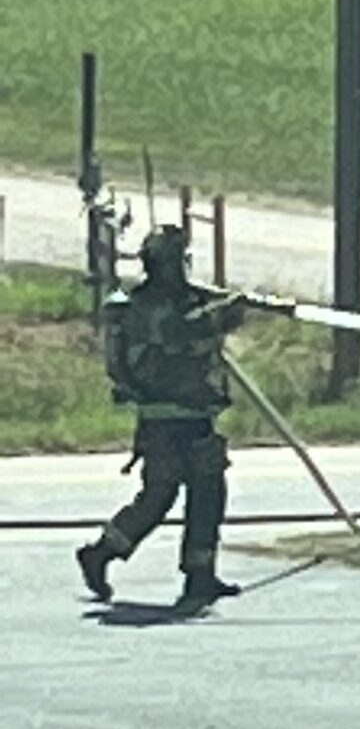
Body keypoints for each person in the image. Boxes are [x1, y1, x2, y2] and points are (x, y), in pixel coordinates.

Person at [75, 226, 260, 612]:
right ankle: (105, 553)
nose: (180, 268)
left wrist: (242, 302)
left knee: (198, 490)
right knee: (169, 494)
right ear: (160, 264)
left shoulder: (178, 299)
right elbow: (187, 332)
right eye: (174, 260)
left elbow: (207, 308)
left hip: (186, 412)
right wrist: (229, 313)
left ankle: (197, 574)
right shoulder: (146, 308)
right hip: (168, 414)